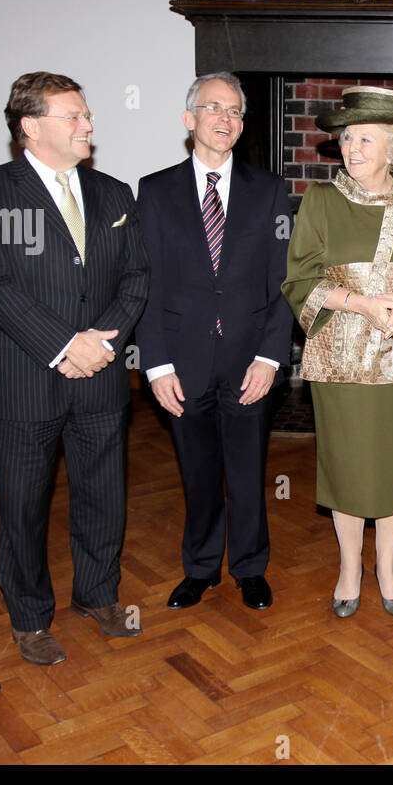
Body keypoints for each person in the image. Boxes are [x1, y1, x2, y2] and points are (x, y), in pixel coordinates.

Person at [0, 72, 149, 665]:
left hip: (102, 375)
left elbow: (137, 277)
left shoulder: (115, 193)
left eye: (87, 114)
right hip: (24, 379)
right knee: (21, 505)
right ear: (30, 127)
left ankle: (99, 594)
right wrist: (65, 343)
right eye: (73, 116)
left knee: (104, 495)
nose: (88, 125)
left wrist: (102, 345)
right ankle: (29, 616)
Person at [282, 87, 393, 618]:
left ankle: (388, 567)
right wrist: (360, 302)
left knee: (391, 463)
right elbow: (299, 280)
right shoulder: (320, 200)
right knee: (345, 464)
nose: (351, 148)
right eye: (346, 138)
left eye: (364, 139)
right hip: (338, 358)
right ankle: (349, 568)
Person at [136, 73, 292, 613]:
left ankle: (250, 568)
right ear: (190, 120)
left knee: (248, 473)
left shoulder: (270, 191)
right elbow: (146, 286)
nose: (225, 119)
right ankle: (200, 569)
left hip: (251, 361)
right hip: (183, 364)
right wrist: (155, 367)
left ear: (242, 125)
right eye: (213, 108)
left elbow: (284, 284)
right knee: (197, 473)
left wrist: (271, 357)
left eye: (234, 111)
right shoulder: (153, 192)